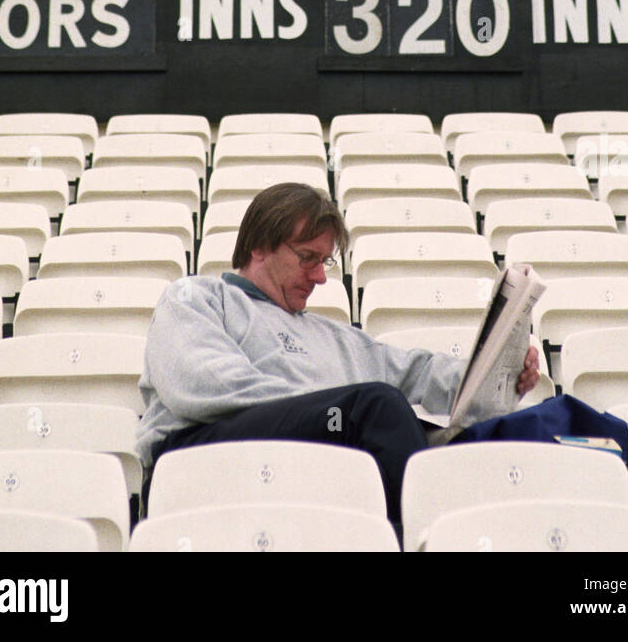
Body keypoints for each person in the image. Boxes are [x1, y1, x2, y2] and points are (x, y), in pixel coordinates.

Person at [137, 182, 539, 527]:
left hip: (303, 457)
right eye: (306, 258)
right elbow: (204, 385)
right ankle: (421, 538)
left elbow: (416, 372)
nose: (319, 276)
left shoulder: (330, 335)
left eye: (325, 261)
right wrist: (325, 408)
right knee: (374, 407)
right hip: (199, 452)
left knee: (440, 429)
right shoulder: (196, 297)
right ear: (260, 247)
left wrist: (497, 371)